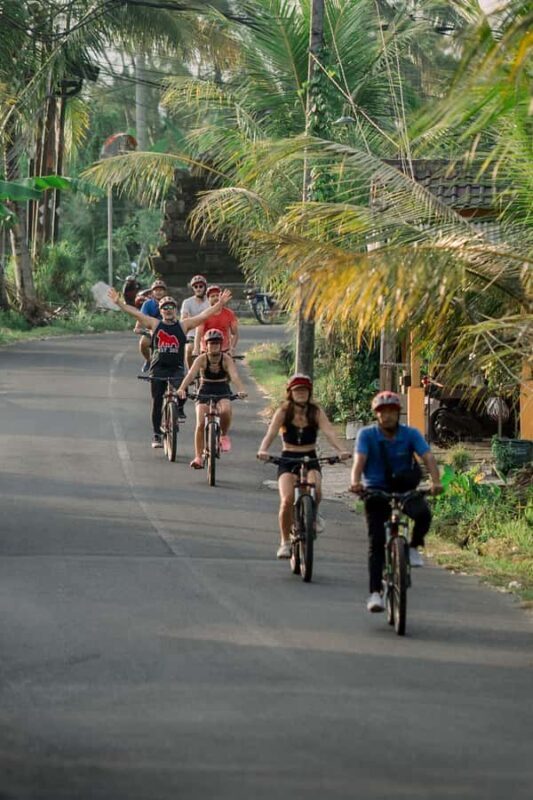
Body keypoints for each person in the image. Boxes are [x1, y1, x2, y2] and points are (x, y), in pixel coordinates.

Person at [350, 390, 443, 613]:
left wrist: (436, 482)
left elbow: (427, 456)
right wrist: (355, 482)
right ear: (376, 415)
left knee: (423, 514)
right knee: (376, 543)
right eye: (382, 412)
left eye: (391, 411)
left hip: (405, 488)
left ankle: (412, 547)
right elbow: (359, 459)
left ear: (398, 413)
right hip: (375, 490)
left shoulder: (410, 434)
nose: (387, 416)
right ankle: (375, 593)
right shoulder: (367, 435)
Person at [108, 286, 233, 448]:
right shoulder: (154, 323)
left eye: (171, 307)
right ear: (160, 311)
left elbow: (203, 316)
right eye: (164, 308)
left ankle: (178, 411)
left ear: (176, 310)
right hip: (158, 368)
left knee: (183, 392)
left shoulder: (183, 325)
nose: (168, 310)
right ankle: (156, 434)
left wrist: (219, 304)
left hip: (176, 368)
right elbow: (136, 313)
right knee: (157, 401)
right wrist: (119, 303)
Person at [257, 374, 351, 559]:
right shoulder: (284, 411)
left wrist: (342, 450)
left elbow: (330, 432)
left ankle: (312, 516)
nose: (300, 393)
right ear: (290, 393)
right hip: (288, 458)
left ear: (309, 392)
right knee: (287, 500)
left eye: (304, 390)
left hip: (310, 457)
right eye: (297, 390)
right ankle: (284, 541)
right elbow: (271, 433)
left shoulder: (315, 411)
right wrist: (263, 450)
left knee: (317, 490)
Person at [177, 329, 247, 468]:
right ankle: (198, 457)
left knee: (226, 410)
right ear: (206, 345)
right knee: (201, 423)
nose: (214, 346)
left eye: (216, 343)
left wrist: (241, 390)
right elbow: (191, 375)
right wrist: (181, 388)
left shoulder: (226, 359)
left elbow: (234, 376)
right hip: (205, 389)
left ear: (221, 345)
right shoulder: (201, 359)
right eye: (211, 343)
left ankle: (223, 435)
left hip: (222, 388)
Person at [134, 279, 167, 371]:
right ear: (152, 292)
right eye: (156, 290)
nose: (158, 292)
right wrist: (137, 328)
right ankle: (148, 360)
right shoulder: (147, 304)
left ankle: (178, 366)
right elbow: (141, 317)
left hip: (167, 331)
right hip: (151, 331)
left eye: (161, 290)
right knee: (143, 343)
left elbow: (174, 317)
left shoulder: (169, 302)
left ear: (164, 292)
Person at [195, 284, 239, 356]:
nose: (215, 298)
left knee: (231, 365)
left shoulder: (229, 314)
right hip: (206, 351)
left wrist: (232, 349)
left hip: (224, 350)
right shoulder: (205, 314)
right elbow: (198, 334)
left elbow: (235, 334)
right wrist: (196, 349)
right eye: (212, 296)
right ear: (208, 299)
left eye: (217, 295)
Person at [180, 274, 210, 368]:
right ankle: (191, 372)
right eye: (195, 286)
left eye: (201, 286)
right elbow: (183, 319)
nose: (198, 288)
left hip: (208, 332)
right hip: (192, 333)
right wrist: (197, 321)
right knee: (189, 349)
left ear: (205, 287)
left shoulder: (210, 301)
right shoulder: (187, 302)